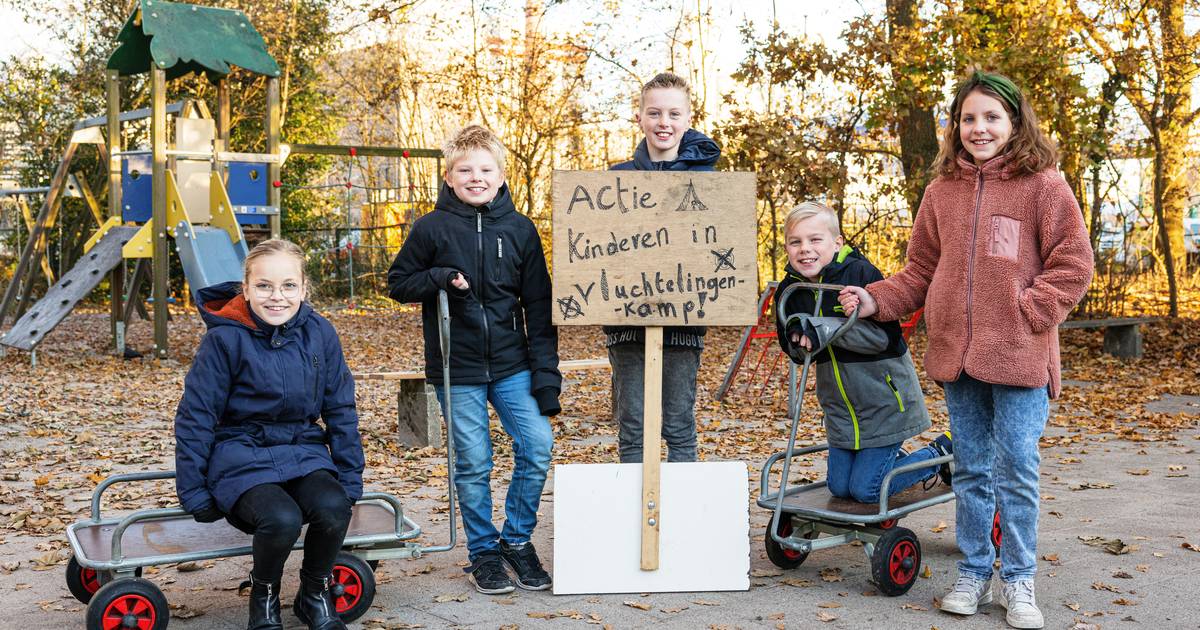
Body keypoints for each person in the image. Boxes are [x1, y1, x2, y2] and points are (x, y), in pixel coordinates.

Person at [839, 70, 1093, 629]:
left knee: (1016, 469)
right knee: (973, 468)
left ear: (1015, 122)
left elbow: (1073, 264)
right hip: (959, 356)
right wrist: (873, 298)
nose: (980, 128)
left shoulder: (1042, 186)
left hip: (1020, 356)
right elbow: (921, 271)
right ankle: (976, 568)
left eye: (992, 117)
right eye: (969, 117)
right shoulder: (941, 191)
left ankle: (1018, 578)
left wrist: (1030, 311)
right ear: (955, 125)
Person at [386, 125, 561, 595]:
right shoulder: (430, 228)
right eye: (465, 170)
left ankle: (517, 541)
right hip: (456, 368)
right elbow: (399, 282)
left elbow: (539, 308)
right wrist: (439, 276)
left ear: (502, 177)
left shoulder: (521, 230)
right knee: (473, 462)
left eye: (485, 170)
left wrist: (546, 376)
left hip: (513, 366)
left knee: (537, 444)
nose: (476, 177)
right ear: (448, 178)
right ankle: (483, 552)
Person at [175, 239, 364, 630]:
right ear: (245, 289)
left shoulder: (320, 333)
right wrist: (193, 488)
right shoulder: (224, 340)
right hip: (240, 452)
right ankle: (263, 600)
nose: (277, 297)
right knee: (281, 518)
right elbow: (196, 415)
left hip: (301, 448)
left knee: (334, 507)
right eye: (264, 286)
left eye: (288, 286)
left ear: (303, 289)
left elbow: (341, 407)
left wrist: (349, 472)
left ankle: (314, 595)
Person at [774, 202, 951, 505]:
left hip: (884, 401)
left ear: (837, 242)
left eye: (815, 240)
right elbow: (796, 350)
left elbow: (882, 339)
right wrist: (798, 339)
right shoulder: (792, 289)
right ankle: (892, 461)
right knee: (840, 487)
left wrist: (826, 329)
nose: (805, 249)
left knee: (866, 490)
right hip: (842, 410)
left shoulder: (859, 273)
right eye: (796, 242)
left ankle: (938, 454)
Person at [608, 71, 720, 464]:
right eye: (654, 113)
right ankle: (635, 521)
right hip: (626, 323)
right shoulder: (614, 181)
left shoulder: (707, 182)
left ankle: (680, 518)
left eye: (674, 114)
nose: (664, 123)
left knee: (677, 423)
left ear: (688, 118)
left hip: (683, 326)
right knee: (634, 424)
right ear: (639, 117)